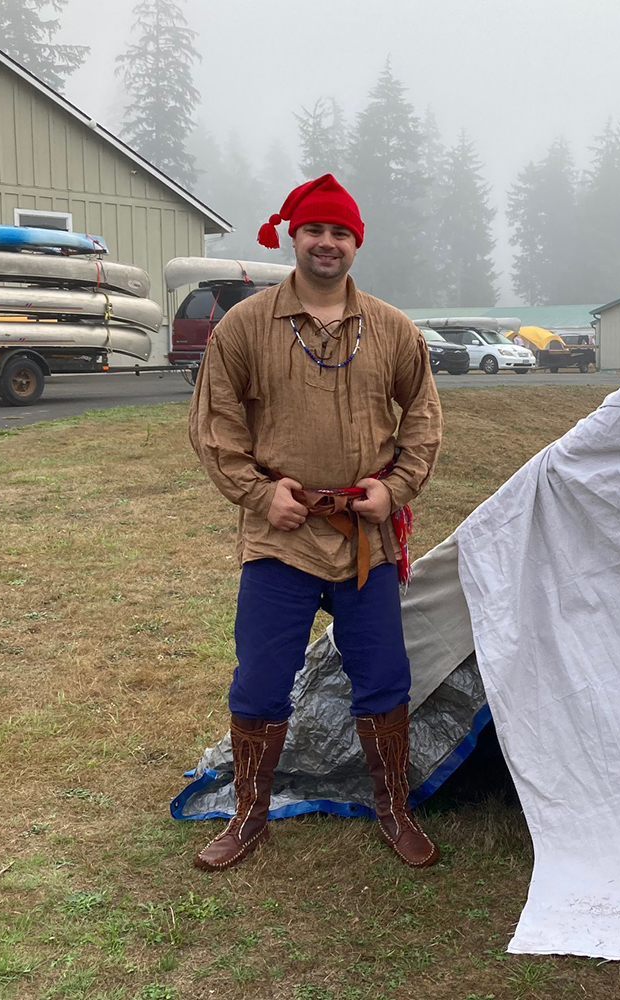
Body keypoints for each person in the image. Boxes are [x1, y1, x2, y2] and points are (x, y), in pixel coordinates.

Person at [187, 174, 443, 871]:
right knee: (261, 681)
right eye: (315, 231)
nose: (327, 243)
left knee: (385, 676)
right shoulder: (244, 327)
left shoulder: (392, 330)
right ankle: (248, 814)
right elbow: (214, 426)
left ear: (355, 243)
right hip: (281, 533)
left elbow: (422, 419)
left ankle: (393, 807)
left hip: (366, 537)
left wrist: (393, 491)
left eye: (340, 233)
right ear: (291, 236)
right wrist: (260, 495)